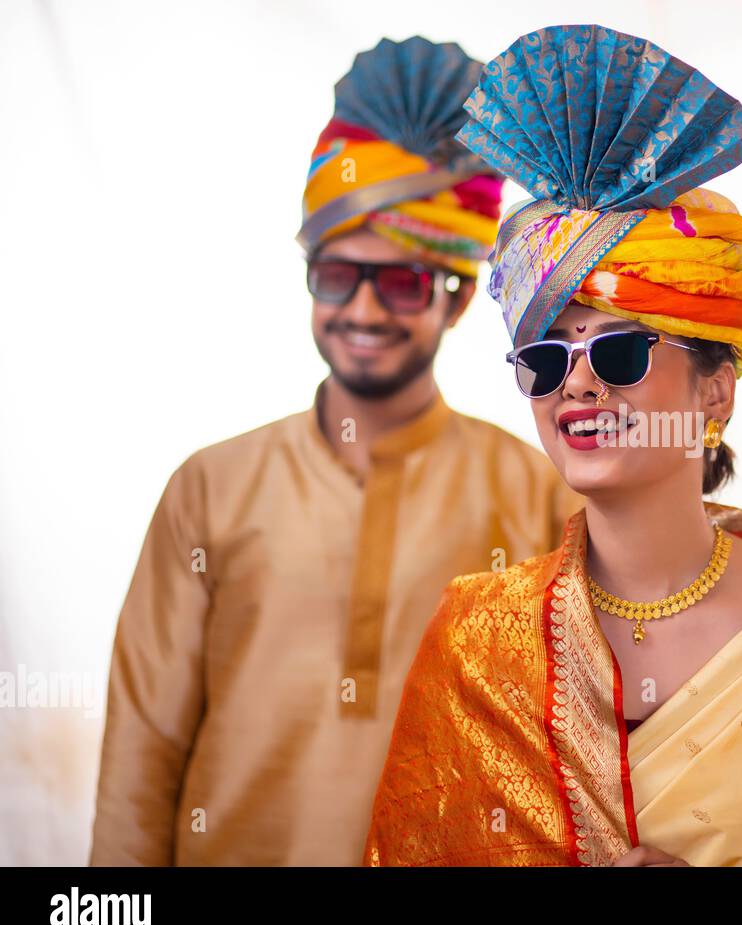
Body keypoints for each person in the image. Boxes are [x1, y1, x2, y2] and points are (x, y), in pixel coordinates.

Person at [364, 25, 742, 867]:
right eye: (548, 358)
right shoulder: (477, 640)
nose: (579, 387)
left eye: (621, 351)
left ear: (715, 389)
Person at [90, 37, 582, 866]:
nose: (363, 308)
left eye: (400, 282)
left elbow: (577, 753)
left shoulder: (534, 493)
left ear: (456, 299)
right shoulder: (209, 490)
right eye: (337, 274)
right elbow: (141, 753)